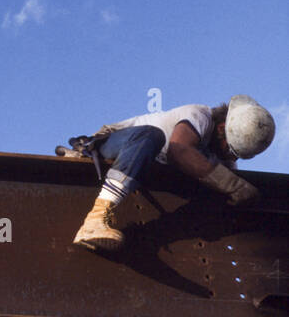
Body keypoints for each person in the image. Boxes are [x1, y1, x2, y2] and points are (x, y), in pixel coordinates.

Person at [62, 95, 275, 252]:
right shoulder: (199, 117)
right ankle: (95, 219)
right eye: (231, 149)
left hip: (139, 166)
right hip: (112, 145)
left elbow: (225, 182)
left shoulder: (218, 154)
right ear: (221, 129)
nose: (232, 158)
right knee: (151, 136)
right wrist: (235, 186)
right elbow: (179, 151)